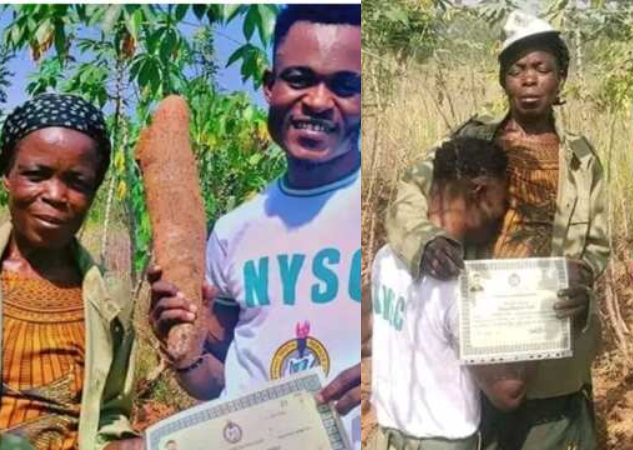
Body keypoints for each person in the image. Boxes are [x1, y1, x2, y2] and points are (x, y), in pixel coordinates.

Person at [385, 11, 609, 450]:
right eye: (517, 69)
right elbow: (409, 192)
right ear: (503, 79)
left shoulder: (583, 159)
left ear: (561, 76)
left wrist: (583, 283)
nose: (529, 80)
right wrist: (425, 240)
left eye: (542, 69)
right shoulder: (473, 139)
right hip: (479, 329)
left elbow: (597, 246)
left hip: (550, 339)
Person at [148, 4, 362, 449]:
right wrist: (186, 353)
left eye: (345, 85)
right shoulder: (233, 230)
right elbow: (216, 381)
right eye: (300, 79)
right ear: (270, 87)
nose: (318, 102)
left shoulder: (384, 211)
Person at [0, 94, 140, 449]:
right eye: (37, 175)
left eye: (77, 182)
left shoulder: (109, 301)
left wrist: (118, 442)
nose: (56, 194)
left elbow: (111, 411)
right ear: (6, 177)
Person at [370, 137, 530, 450]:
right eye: (503, 198)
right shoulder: (461, 286)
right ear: (479, 192)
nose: (503, 213)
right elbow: (507, 393)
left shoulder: (386, 258)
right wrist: (539, 318)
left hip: (387, 438)